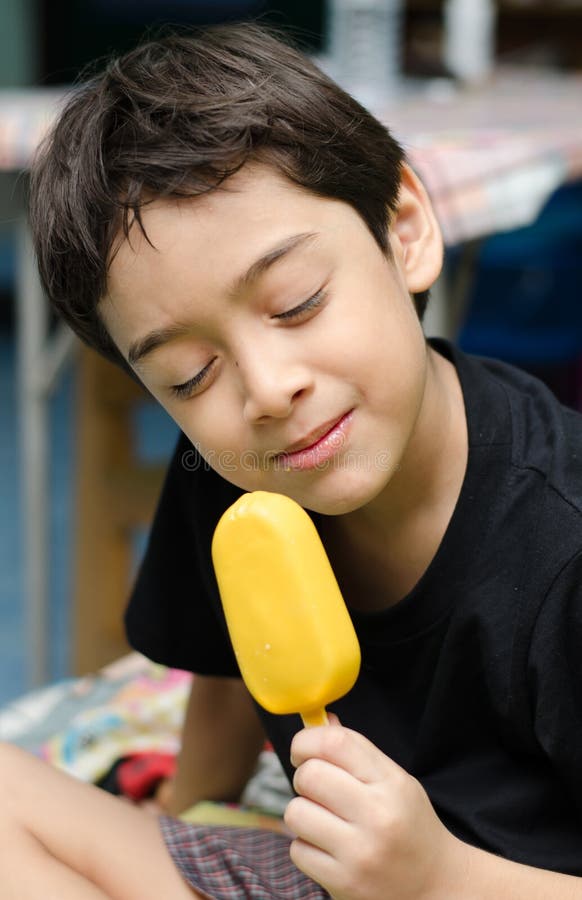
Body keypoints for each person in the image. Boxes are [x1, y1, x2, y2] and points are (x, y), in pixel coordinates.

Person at [16, 20, 582, 900]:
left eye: (296, 303)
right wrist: (185, 818)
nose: (265, 390)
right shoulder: (237, 467)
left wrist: (437, 878)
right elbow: (229, 676)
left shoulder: (564, 547)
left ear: (403, 231)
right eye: (190, 373)